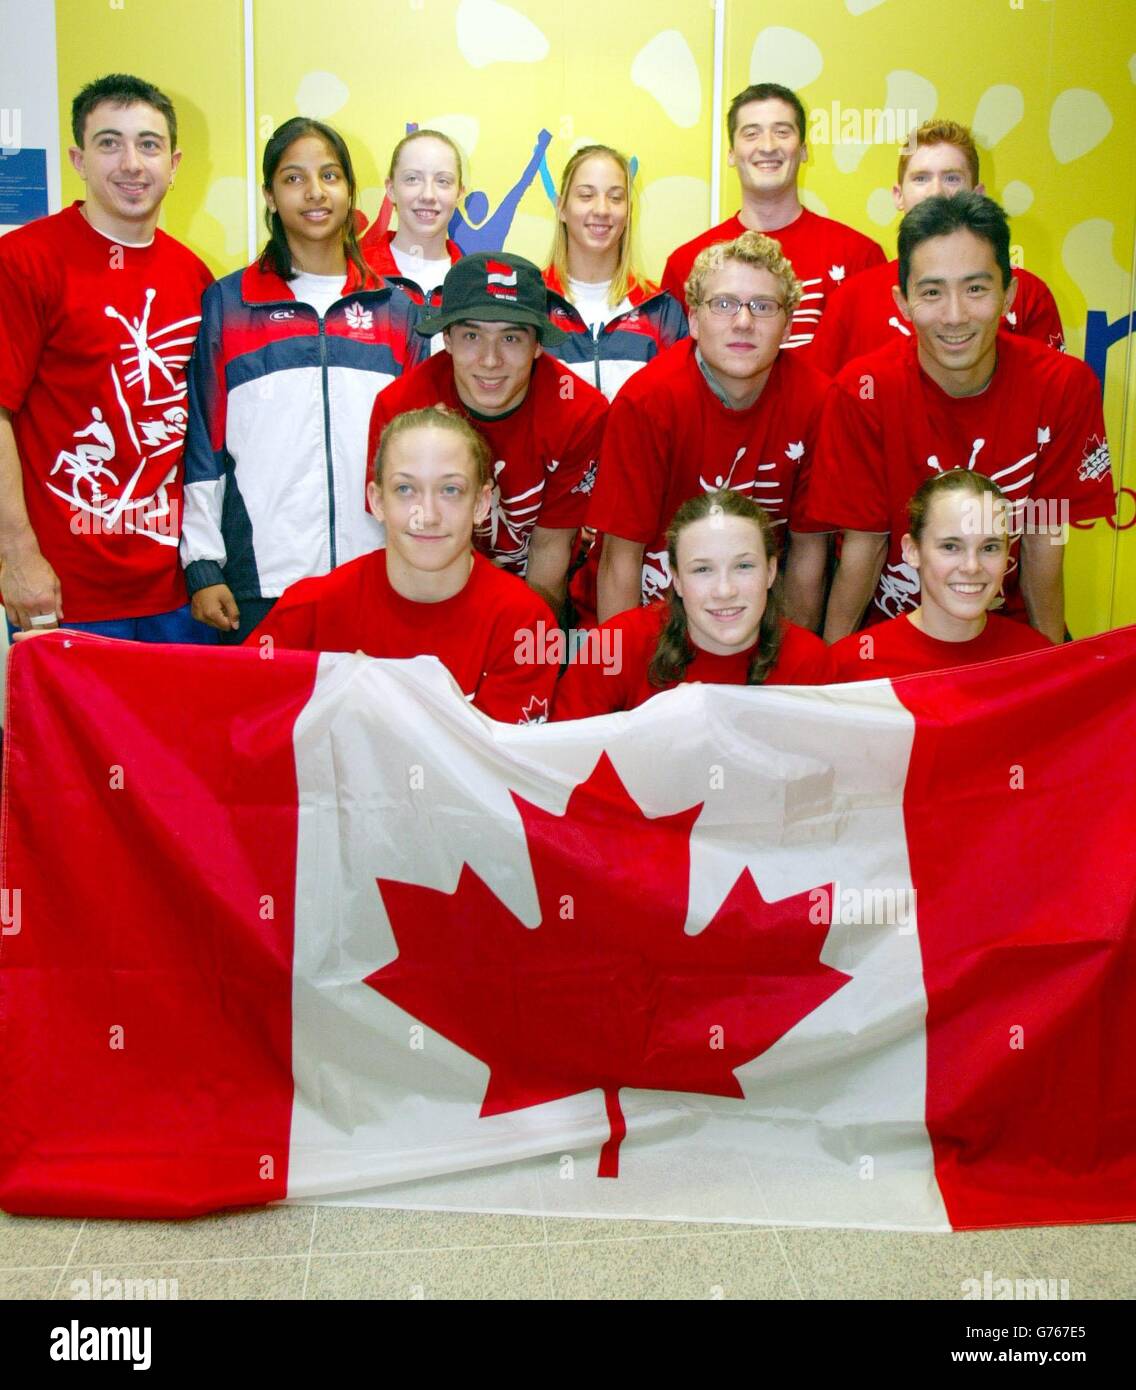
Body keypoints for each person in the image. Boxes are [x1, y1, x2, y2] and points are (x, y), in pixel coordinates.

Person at [808, 192, 1114, 644]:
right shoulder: (862, 391)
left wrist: (1050, 669)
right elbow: (865, 547)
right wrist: (833, 673)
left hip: (1007, 628)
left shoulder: (1064, 386)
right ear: (903, 302)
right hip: (892, 632)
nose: (955, 316)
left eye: (976, 289)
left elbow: (1043, 540)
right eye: (932, 292)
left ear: (1009, 295)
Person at [181, 117, 427, 644]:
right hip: (261, 581)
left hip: (379, 576)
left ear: (350, 191)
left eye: (330, 175)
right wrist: (202, 561)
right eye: (294, 179)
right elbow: (205, 440)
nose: (315, 193)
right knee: (269, 727)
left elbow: (421, 451)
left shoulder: (396, 311)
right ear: (269, 196)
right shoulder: (229, 304)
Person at [0, 73, 213, 639]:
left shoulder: (193, 276)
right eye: (109, 142)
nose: (131, 164)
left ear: (174, 162)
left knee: (175, 731)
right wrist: (17, 556)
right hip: (66, 587)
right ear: (77, 158)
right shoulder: (24, 261)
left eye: (148, 144)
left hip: (176, 586)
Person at [585, 230, 830, 628]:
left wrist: (790, 682)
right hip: (649, 611)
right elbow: (619, 559)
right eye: (724, 304)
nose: (744, 322)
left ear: (788, 328)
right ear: (694, 320)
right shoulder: (646, 402)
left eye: (764, 306)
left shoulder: (818, 401)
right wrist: (624, 678)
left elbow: (808, 554)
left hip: (752, 622)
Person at [254, 406, 557, 724]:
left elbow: (500, 765)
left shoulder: (525, 625)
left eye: (450, 490)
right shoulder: (308, 610)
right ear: (377, 501)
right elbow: (240, 727)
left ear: (481, 504)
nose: (427, 515)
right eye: (405, 489)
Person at [366, 252, 607, 617]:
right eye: (471, 335)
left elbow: (550, 552)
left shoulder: (579, 413)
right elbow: (407, 542)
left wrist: (523, 645)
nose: (490, 360)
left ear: (538, 344)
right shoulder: (402, 407)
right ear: (446, 339)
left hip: (534, 595)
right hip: (431, 589)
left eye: (510, 338)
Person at [810, 120, 1064, 376]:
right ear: (898, 195)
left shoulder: (1029, 295)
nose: (937, 192)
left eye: (952, 177)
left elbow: (1048, 394)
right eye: (921, 178)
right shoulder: (852, 299)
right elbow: (821, 400)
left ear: (978, 193)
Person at [553, 490, 830, 719]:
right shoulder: (617, 646)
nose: (725, 590)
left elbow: (826, 775)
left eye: (743, 566)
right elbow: (559, 764)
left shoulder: (808, 662)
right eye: (702, 570)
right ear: (676, 579)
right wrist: (647, 731)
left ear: (770, 572)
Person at [660, 83, 884, 348]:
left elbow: (874, 372)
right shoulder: (686, 263)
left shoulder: (860, 256)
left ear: (803, 149)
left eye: (782, 132)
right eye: (751, 133)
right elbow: (676, 373)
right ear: (731, 154)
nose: (767, 146)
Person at [829, 470, 1053, 680]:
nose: (971, 566)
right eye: (950, 547)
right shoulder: (853, 663)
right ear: (912, 551)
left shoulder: (1037, 658)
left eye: (989, 548)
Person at [541, 144, 687, 400]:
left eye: (616, 197)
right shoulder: (532, 303)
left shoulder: (661, 310)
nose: (602, 210)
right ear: (562, 207)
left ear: (629, 211)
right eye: (586, 195)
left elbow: (680, 408)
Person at [359, 129, 464, 303]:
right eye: (413, 179)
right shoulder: (355, 274)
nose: (428, 195)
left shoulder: (477, 284)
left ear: (459, 193)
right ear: (391, 189)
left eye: (443, 181)